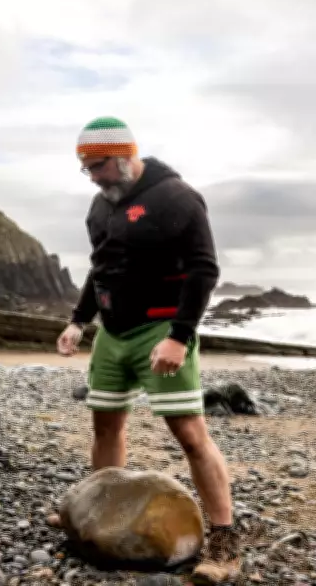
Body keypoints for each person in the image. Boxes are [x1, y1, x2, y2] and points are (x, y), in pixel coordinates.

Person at [56, 116, 240, 578]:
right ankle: (97, 513)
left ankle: (225, 542)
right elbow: (100, 269)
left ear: (124, 157)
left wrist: (179, 337)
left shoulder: (175, 197)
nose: (93, 178)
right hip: (112, 335)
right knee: (106, 428)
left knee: (191, 435)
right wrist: (79, 322)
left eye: (98, 167)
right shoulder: (100, 207)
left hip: (161, 332)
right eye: (87, 170)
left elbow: (204, 269)